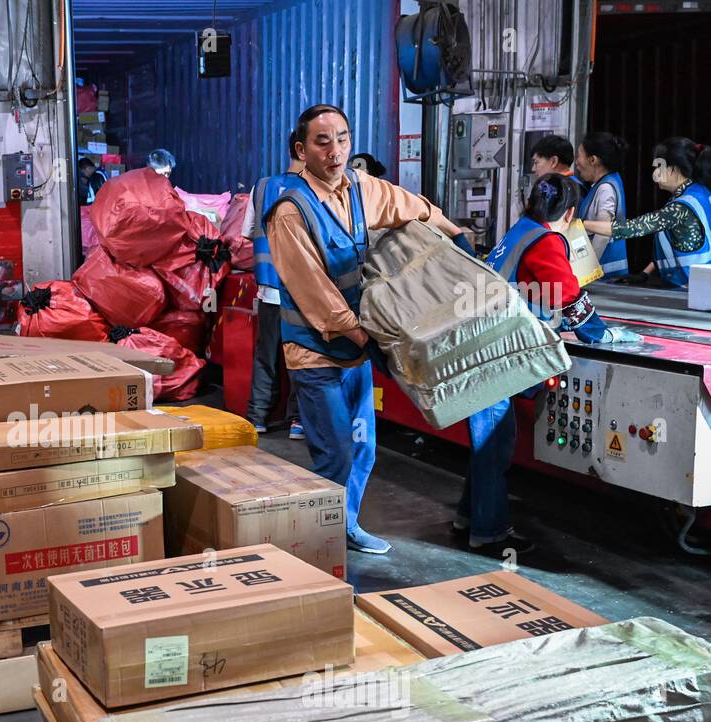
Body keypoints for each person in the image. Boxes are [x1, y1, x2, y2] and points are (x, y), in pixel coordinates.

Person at [267, 104, 470, 556]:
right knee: (335, 452)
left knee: (363, 450)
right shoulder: (290, 213)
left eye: (342, 138)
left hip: (355, 351)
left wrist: (454, 233)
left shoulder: (359, 189)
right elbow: (316, 296)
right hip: (316, 353)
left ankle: (345, 525)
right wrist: (370, 341)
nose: (335, 150)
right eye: (322, 141)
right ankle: (319, 541)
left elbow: (409, 206)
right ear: (301, 150)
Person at [474, 175, 643, 556]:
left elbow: (534, 290)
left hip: (486, 348)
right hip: (501, 356)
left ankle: (472, 520)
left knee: (488, 445)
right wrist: (603, 335)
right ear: (569, 213)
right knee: (492, 448)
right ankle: (488, 532)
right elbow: (569, 296)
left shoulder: (520, 230)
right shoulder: (546, 241)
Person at [582, 137, 711, 289]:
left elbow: (631, 228)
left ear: (674, 169)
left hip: (691, 290)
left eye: (659, 166)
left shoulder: (680, 208)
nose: (655, 173)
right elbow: (681, 243)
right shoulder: (700, 193)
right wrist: (645, 273)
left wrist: (581, 224)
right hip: (697, 287)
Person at [245, 130, 305, 435]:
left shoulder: (262, 186)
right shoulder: (313, 189)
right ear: (304, 149)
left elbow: (249, 231)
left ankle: (256, 418)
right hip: (302, 293)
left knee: (265, 356)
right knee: (302, 357)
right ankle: (298, 421)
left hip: (269, 290)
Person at [575, 131, 630, 278]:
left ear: (593, 160)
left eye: (579, 156)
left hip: (605, 277)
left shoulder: (605, 189)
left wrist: (586, 273)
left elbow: (602, 234)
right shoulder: (608, 182)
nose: (576, 163)